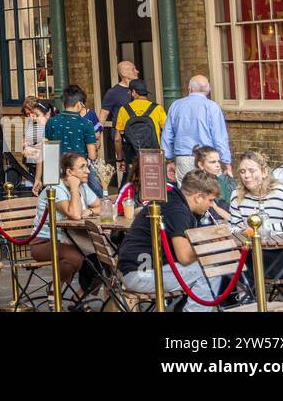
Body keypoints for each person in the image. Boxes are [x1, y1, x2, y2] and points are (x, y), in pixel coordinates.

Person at [118, 170, 223, 311]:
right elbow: (184, 257)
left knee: (205, 268)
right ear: (198, 197)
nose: (211, 205)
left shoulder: (171, 198)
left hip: (136, 269)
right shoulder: (179, 211)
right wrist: (212, 245)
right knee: (212, 271)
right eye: (210, 200)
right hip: (142, 273)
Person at [29, 152, 104, 302]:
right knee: (75, 258)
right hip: (44, 242)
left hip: (74, 240)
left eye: (87, 167)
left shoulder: (83, 186)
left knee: (105, 259)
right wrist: (74, 188)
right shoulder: (56, 188)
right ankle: (55, 287)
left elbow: (100, 206)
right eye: (82, 167)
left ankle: (79, 299)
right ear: (69, 172)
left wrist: (88, 211)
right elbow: (74, 215)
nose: (87, 171)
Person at [229, 150, 283, 281]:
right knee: (228, 259)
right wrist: (244, 231)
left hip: (282, 258)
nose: (246, 176)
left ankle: (246, 297)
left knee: (240, 265)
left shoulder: (279, 192)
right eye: (242, 171)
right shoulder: (236, 196)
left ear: (264, 173)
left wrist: (266, 228)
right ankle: (244, 299)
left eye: (251, 171)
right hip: (249, 254)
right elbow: (233, 228)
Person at [161, 75, 231, 182]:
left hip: (183, 158)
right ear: (208, 90)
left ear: (190, 88)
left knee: (186, 194)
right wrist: (226, 162)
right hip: (207, 158)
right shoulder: (212, 107)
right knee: (210, 192)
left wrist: (169, 159)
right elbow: (219, 137)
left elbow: (167, 135)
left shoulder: (176, 105)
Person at [36, 86, 102, 196]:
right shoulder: (86, 124)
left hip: (56, 174)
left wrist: (38, 179)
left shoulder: (51, 122)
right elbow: (92, 156)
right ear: (79, 104)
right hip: (78, 174)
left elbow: (43, 150)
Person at [98, 61, 139, 184]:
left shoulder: (138, 90)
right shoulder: (113, 93)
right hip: (122, 138)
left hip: (139, 136)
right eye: (133, 69)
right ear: (124, 73)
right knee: (129, 173)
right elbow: (103, 116)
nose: (137, 71)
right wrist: (97, 137)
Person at [114, 78, 166, 167]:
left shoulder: (124, 110)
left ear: (134, 92)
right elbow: (167, 132)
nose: (128, 94)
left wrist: (120, 159)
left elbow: (117, 139)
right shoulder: (157, 108)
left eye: (129, 92)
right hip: (153, 157)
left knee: (132, 180)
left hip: (133, 158)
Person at [193, 145, 234, 222]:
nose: (218, 165)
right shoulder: (193, 184)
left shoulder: (223, 182)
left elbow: (231, 211)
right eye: (213, 162)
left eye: (218, 161)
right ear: (201, 165)